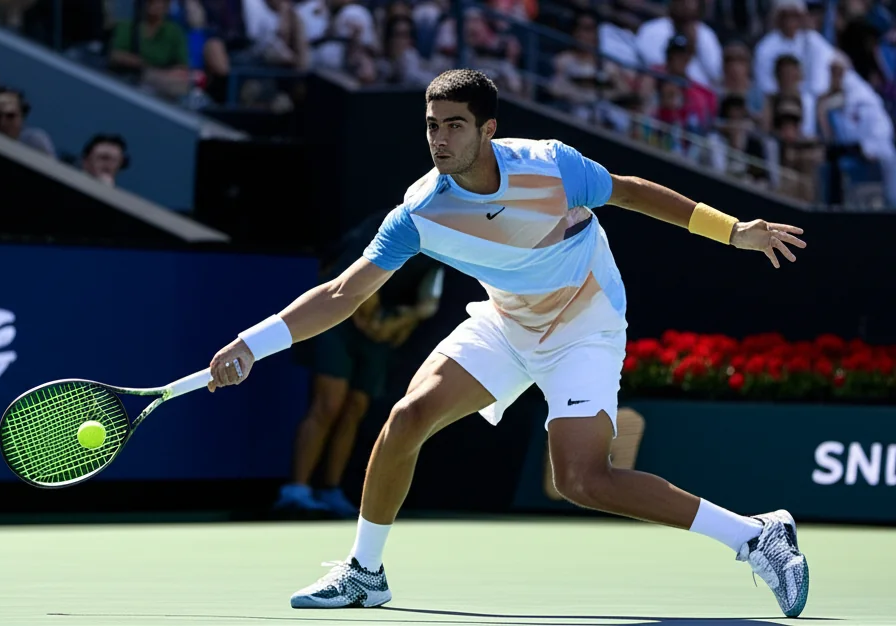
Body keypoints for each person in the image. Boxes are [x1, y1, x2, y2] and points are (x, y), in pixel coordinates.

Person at [205, 69, 810, 617]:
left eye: (454, 126)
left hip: (585, 324)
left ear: (488, 129)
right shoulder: (419, 212)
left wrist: (732, 231)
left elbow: (628, 191)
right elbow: (342, 293)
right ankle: (366, 571)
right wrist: (250, 344)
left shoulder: (551, 167)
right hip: (507, 322)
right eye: (431, 126)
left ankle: (756, 537)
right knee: (407, 416)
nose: (439, 139)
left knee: (582, 480)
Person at [275, 210, 444, 517]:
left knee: (355, 408)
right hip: (337, 323)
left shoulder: (448, 236)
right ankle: (295, 491)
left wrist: (396, 324)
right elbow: (351, 283)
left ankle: (330, 490)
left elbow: (426, 304)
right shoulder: (395, 220)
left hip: (378, 331)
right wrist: (375, 323)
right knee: (329, 404)